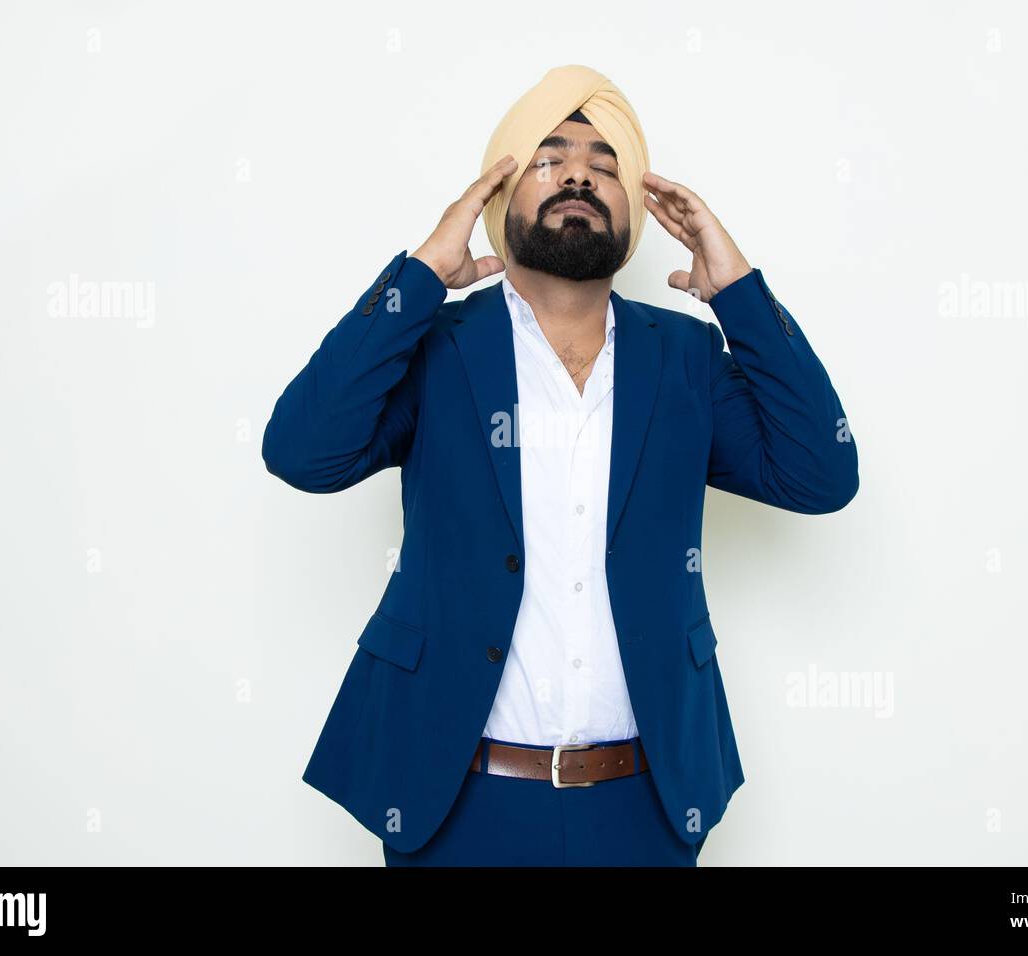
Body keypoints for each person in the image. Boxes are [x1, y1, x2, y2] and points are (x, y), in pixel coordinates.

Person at [262, 64, 859, 866]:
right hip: (454, 803)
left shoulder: (683, 356)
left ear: (632, 209)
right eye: (550, 156)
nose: (579, 172)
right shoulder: (436, 347)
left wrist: (739, 293)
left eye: (606, 163)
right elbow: (302, 451)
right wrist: (418, 279)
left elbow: (821, 473)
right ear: (501, 190)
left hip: (644, 806)